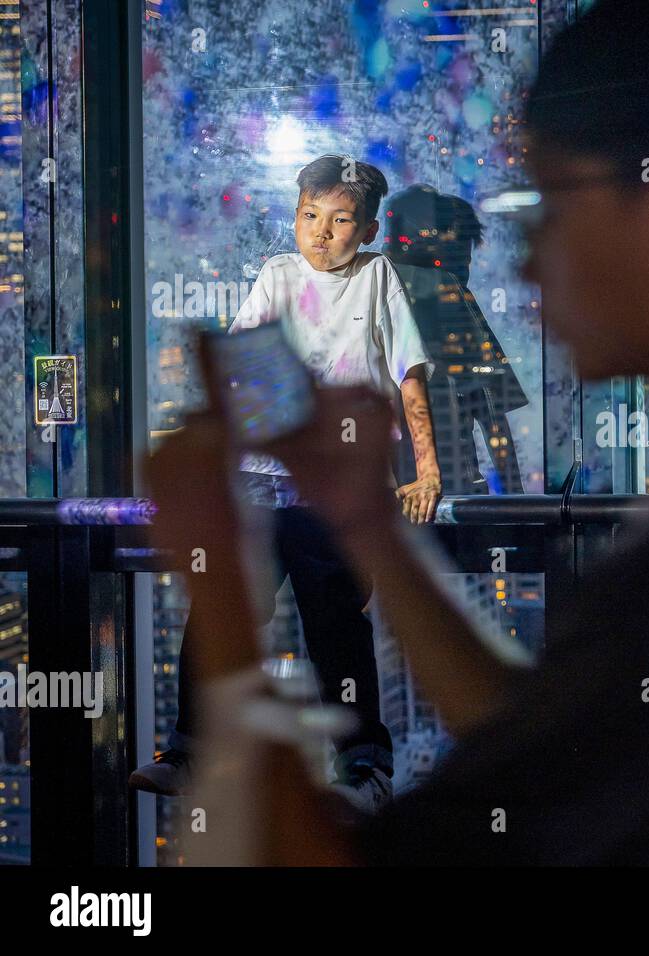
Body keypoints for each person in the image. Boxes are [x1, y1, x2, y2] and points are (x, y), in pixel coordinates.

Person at [145, 0, 649, 864]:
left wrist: (228, 610)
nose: (531, 262)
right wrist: (367, 523)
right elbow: (549, 750)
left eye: (553, 203)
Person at [130, 154, 443, 813]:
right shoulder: (276, 274)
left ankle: (365, 767)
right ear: (294, 217)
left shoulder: (379, 277)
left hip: (336, 492)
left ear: (368, 230)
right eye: (309, 216)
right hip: (261, 483)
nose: (321, 233)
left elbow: (410, 373)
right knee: (222, 613)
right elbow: (243, 363)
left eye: (339, 221)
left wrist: (427, 469)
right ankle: (188, 752)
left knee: (337, 626)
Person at [384, 185, 529, 494]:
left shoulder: (369, 281)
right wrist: (518, 503)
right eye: (460, 253)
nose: (465, 268)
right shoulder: (446, 289)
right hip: (448, 486)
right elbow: (492, 412)